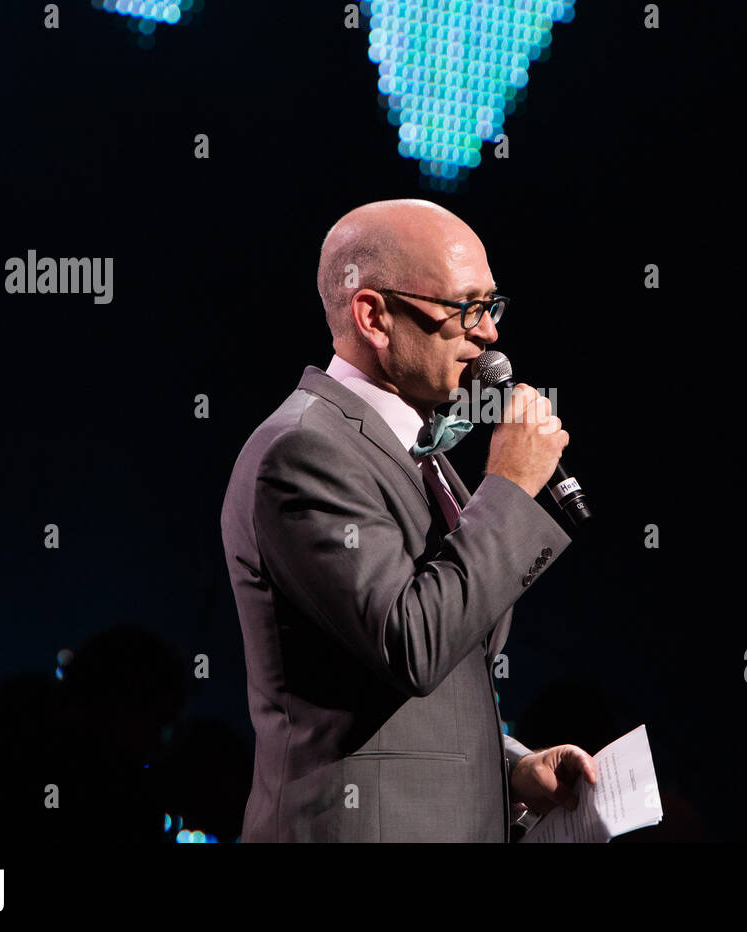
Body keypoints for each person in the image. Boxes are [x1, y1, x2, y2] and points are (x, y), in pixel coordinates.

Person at [220, 198, 596, 841]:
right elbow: (411, 643)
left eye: (493, 306)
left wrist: (509, 769)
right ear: (374, 316)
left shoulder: (422, 456)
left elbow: (437, 672)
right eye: (467, 308)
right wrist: (507, 485)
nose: (489, 334)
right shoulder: (304, 451)